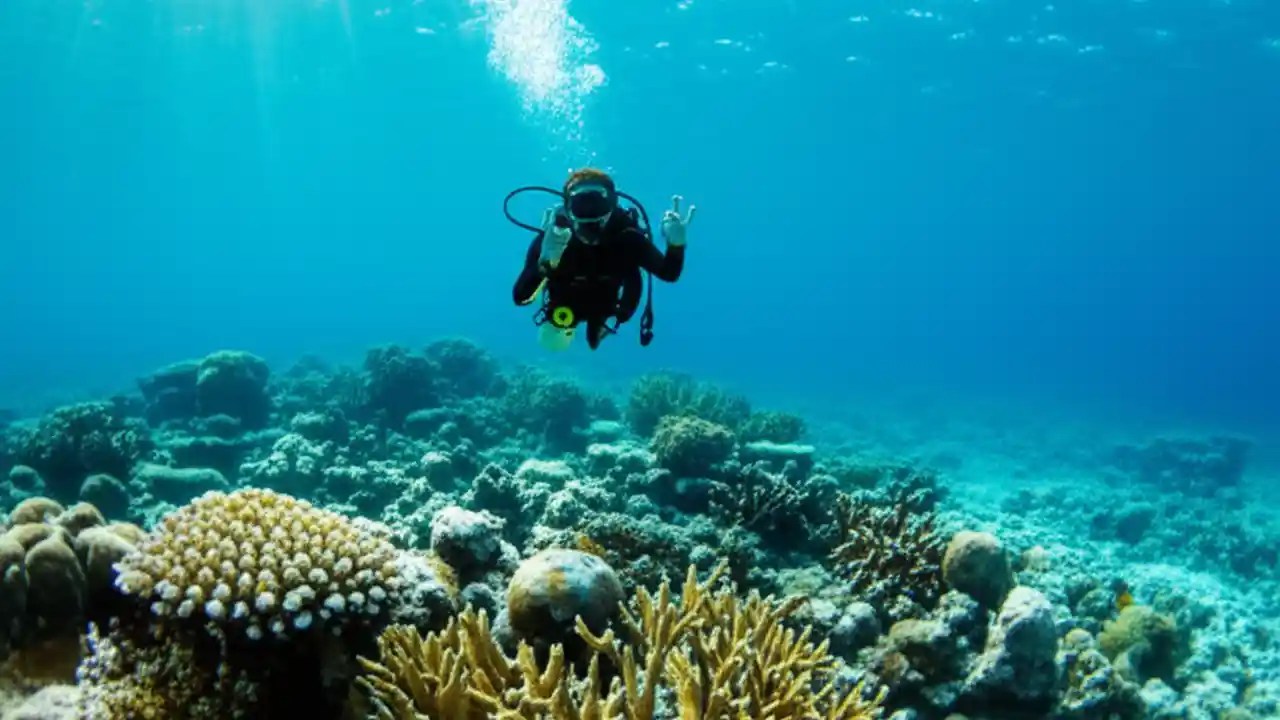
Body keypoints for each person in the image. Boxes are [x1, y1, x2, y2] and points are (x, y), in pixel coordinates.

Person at [512, 168, 695, 350]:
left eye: (597, 203)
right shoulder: (554, 239)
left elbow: (668, 273)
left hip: (606, 307)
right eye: (580, 204)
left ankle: (598, 328)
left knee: (594, 337)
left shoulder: (628, 238)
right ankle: (582, 330)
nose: (590, 213)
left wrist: (676, 243)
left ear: (613, 203)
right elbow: (521, 296)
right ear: (568, 207)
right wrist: (546, 262)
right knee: (551, 343)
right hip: (563, 307)